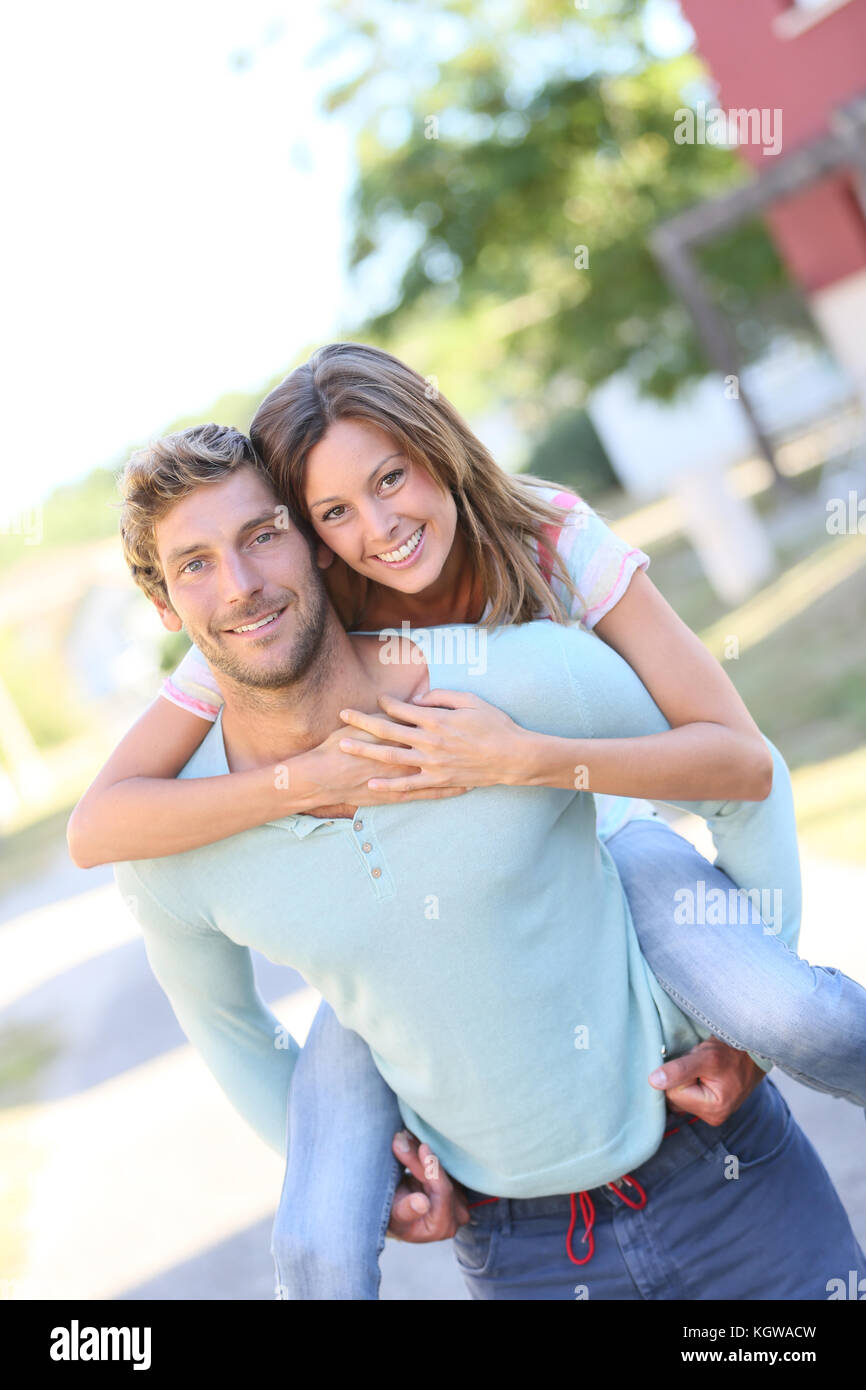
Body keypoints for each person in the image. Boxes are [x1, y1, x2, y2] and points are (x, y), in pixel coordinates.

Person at [67, 343, 866, 1296]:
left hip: (625, 894)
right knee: (319, 1244)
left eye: (392, 477)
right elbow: (106, 841)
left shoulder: (543, 564)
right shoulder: (238, 659)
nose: (239, 583)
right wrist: (303, 783)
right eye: (335, 512)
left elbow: (739, 763)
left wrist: (742, 1028)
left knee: (804, 1015)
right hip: (517, 1238)